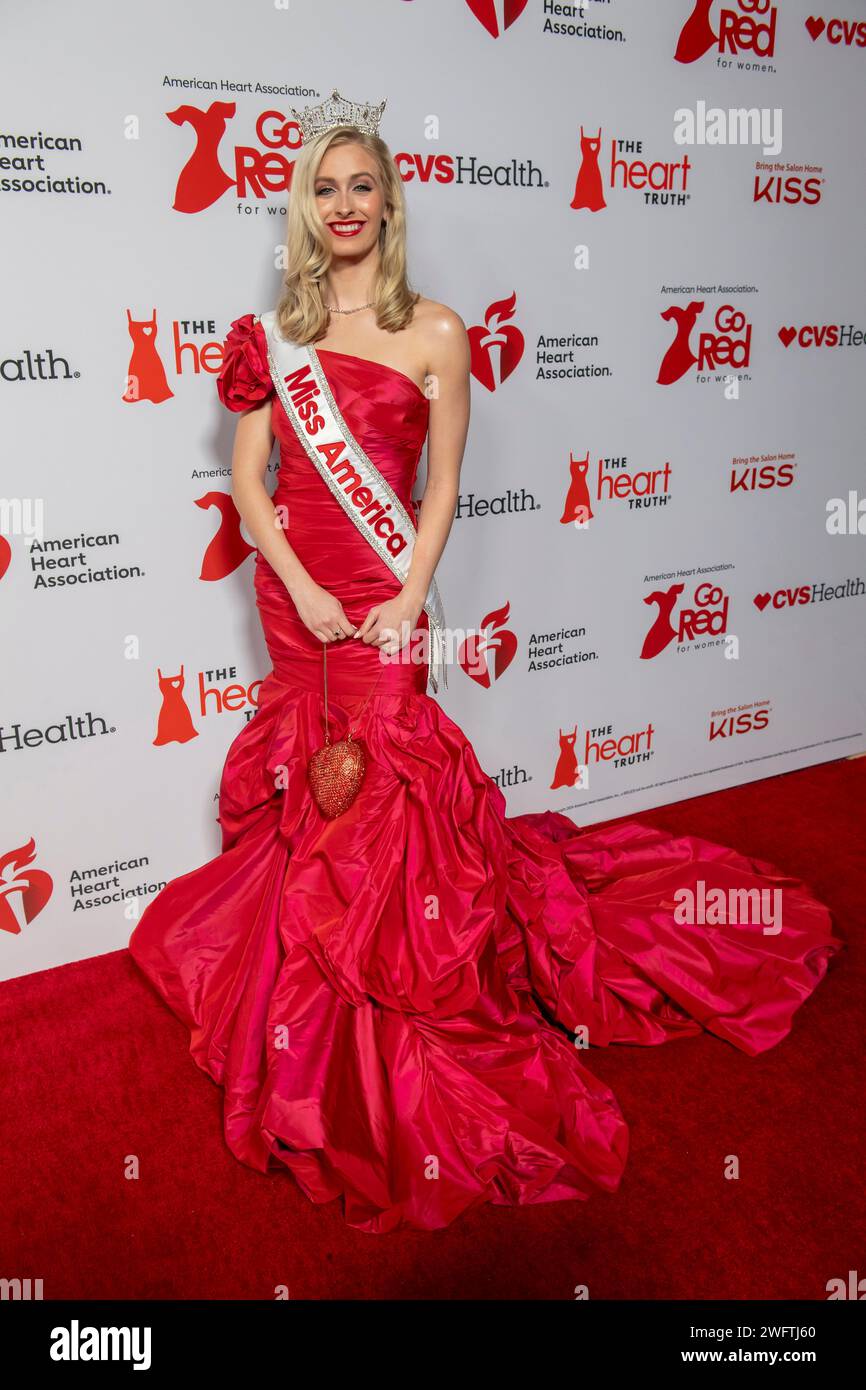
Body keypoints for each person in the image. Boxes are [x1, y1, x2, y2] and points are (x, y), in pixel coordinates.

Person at [128, 91, 843, 1235]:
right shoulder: (277, 337)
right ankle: (303, 1001)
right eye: (325, 186)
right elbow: (249, 489)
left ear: (388, 201)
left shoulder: (437, 332)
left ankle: (397, 1005)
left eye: (362, 184)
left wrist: (406, 595)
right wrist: (305, 591)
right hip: (294, 596)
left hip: (385, 596)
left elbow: (445, 485)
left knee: (389, 786)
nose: (345, 203)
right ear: (304, 208)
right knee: (310, 782)